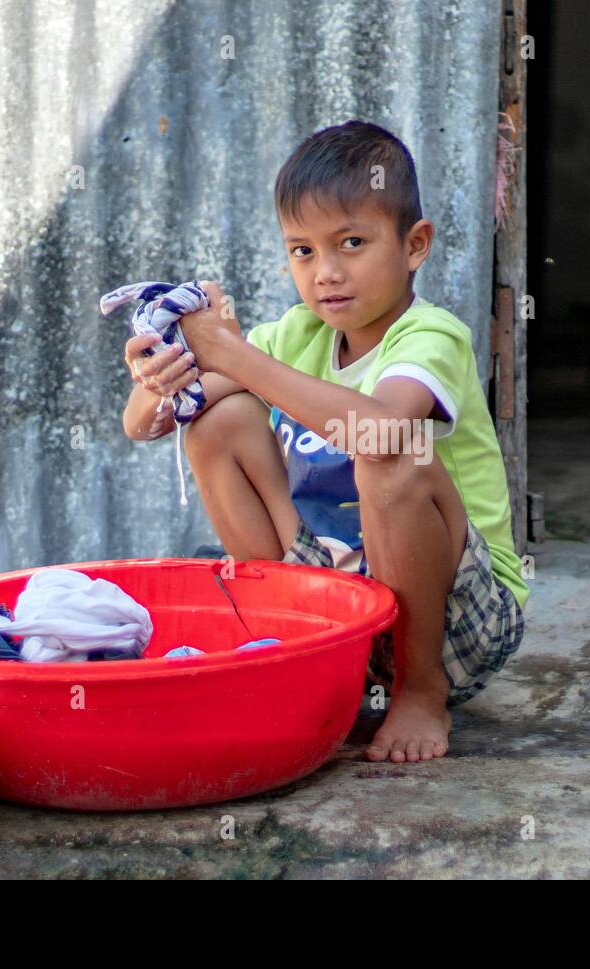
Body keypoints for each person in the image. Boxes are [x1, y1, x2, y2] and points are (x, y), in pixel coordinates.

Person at [121, 120, 528, 762]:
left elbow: (382, 430)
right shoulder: (295, 335)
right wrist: (159, 373)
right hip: (340, 611)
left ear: (414, 244)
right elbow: (144, 425)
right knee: (218, 423)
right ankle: (288, 648)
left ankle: (418, 693)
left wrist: (233, 355)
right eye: (302, 251)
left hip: (455, 619)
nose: (326, 273)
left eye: (352, 242)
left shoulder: (431, 336)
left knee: (391, 457)